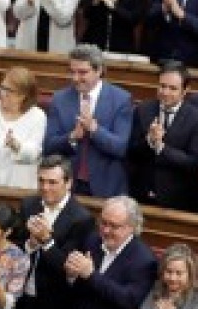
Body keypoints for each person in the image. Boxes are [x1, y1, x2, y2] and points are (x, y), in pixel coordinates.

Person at [11, 156, 94, 309]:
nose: (45, 188)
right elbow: (15, 245)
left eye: (52, 182)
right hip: (22, 300)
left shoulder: (82, 219)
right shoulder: (28, 204)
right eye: (41, 181)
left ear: (69, 183)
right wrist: (30, 243)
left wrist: (47, 241)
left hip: (55, 308)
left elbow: (69, 266)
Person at [68, 195, 159, 309]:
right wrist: (72, 274)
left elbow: (129, 299)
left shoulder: (144, 260)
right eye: (103, 223)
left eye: (114, 226)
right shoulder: (92, 241)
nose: (106, 230)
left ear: (132, 227)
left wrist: (91, 275)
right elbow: (81, 284)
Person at [43, 44, 133, 197]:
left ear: (99, 71)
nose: (76, 78)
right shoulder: (60, 99)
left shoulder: (120, 100)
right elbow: (49, 145)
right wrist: (71, 137)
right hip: (69, 187)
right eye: (72, 72)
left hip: (106, 187)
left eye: (82, 72)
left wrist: (94, 130)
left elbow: (120, 147)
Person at [128, 61, 198, 212]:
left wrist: (161, 147)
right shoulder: (143, 109)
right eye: (162, 86)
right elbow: (131, 150)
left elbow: (194, 163)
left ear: (185, 90)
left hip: (176, 200)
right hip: (140, 195)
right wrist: (149, 141)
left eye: (172, 88)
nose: (165, 92)